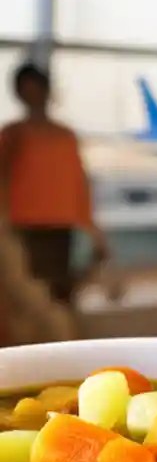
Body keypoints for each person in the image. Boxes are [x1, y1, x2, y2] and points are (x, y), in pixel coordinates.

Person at [0, 62, 109, 307]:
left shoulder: (65, 136)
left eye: (37, 89)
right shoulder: (13, 136)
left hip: (61, 228)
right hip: (25, 229)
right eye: (26, 91)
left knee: (61, 296)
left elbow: (78, 185)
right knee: (30, 300)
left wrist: (93, 229)